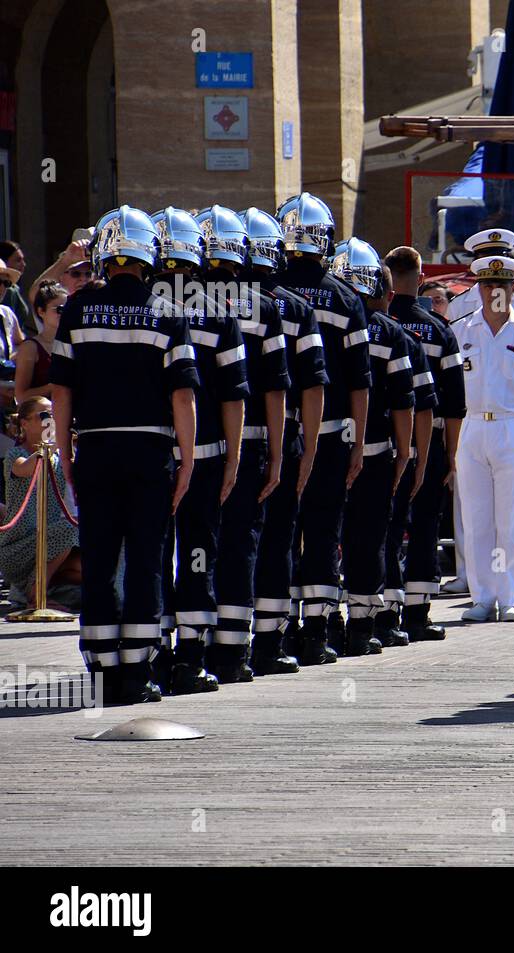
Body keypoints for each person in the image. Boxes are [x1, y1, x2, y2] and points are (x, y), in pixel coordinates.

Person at [51, 205, 200, 706]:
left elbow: (62, 388)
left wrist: (66, 448)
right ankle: (137, 673)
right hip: (150, 449)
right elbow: (183, 395)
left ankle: (102, 671)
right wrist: (188, 458)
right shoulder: (167, 311)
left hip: (94, 447)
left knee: (99, 559)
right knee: (145, 561)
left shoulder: (77, 310)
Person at [152, 205, 249, 694]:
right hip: (206, 453)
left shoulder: (138, 305)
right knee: (196, 552)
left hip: (149, 453)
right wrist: (232, 457)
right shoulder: (221, 309)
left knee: (149, 552)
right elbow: (233, 395)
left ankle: (149, 654)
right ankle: (190, 659)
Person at [197, 204, 293, 679]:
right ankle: (231, 654)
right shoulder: (268, 307)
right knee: (239, 547)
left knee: (189, 548)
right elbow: (276, 389)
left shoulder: (175, 298)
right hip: (249, 445)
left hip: (186, 446)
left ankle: (182, 650)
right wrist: (278, 452)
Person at [275, 192, 373, 656]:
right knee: (322, 530)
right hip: (332, 434)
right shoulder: (346, 297)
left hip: (273, 434)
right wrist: (357, 444)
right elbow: (359, 381)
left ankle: (275, 628)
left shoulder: (268, 290)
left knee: (277, 530)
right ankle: (315, 632)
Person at [241, 206, 329, 668]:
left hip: (214, 444)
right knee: (277, 542)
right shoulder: (296, 309)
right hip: (280, 440)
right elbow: (312, 386)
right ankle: (269, 644)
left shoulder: (199, 302)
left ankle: (218, 643)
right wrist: (307, 449)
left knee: (225, 543)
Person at [450, 249, 514, 623]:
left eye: (502, 284)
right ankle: (482, 596)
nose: (495, 289)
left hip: (513, 426)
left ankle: (509, 596)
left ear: (513, 290)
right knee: (476, 517)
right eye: (489, 283)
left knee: (509, 517)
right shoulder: (460, 330)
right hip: (473, 425)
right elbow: (448, 392)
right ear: (478, 288)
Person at [330, 243, 415, 654]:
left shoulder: (317, 316)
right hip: (376, 450)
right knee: (369, 536)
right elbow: (404, 401)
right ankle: (362, 627)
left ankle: (318, 622)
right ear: (383, 291)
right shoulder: (391, 332)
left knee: (321, 533)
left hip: (324, 443)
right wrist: (403, 454)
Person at [385, 245, 464, 640]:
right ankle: (417, 615)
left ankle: (382, 610)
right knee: (425, 526)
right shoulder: (439, 329)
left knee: (386, 522)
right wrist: (450, 457)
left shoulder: (377, 320)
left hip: (382, 440)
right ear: (420, 279)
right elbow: (454, 403)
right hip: (429, 443)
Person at [0, 396, 80, 608]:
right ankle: (36, 593)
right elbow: (24, 468)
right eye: (44, 415)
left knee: (85, 567)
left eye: (53, 415)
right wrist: (52, 444)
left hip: (50, 545)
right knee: (70, 527)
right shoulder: (15, 454)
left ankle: (33, 590)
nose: (50, 421)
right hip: (17, 549)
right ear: (24, 423)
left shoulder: (57, 457)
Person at [445, 229, 514, 336]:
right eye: (486, 259)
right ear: (474, 264)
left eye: (500, 258)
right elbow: (450, 346)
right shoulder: (459, 304)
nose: (493, 263)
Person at [14, 281, 66, 402]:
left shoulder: (74, 342)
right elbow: (21, 396)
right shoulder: (30, 348)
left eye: (69, 308)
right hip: (42, 417)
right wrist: (53, 387)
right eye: (59, 309)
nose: (64, 313)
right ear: (41, 311)